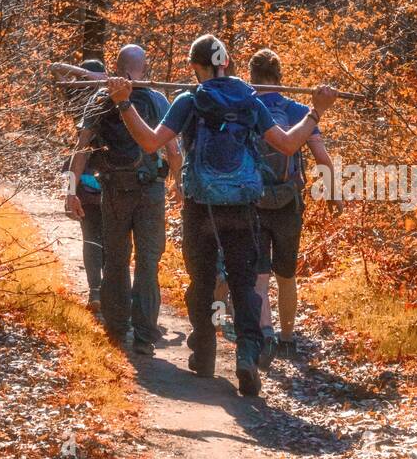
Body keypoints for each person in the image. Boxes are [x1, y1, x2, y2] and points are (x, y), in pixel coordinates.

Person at [106, 35, 337, 396]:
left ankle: (206, 349)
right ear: (226, 63)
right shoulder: (249, 98)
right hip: (244, 207)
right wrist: (316, 110)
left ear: (196, 67)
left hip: (202, 207)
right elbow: (290, 144)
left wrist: (123, 104)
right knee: (244, 284)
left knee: (201, 281)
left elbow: (151, 143)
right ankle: (247, 352)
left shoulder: (189, 101)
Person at [64, 44, 181, 355]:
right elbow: (173, 151)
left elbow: (81, 148)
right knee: (147, 262)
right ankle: (144, 336)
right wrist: (178, 183)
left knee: (115, 260)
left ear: (116, 66)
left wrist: (70, 191)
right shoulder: (158, 99)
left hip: (113, 190)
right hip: (151, 193)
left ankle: (117, 329)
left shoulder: (100, 98)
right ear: (144, 67)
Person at [249, 48, 335, 363]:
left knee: (259, 276)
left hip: (254, 202)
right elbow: (322, 158)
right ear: (280, 77)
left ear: (252, 77)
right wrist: (335, 190)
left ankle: (266, 334)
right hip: (289, 203)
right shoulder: (300, 110)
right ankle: (287, 339)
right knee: (286, 276)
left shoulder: (248, 108)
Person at [58, 58, 107, 310]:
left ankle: (97, 292)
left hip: (88, 181)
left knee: (92, 237)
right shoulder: (111, 100)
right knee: (108, 238)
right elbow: (57, 69)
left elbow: (58, 69)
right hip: (102, 181)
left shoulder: (81, 102)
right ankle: (107, 291)